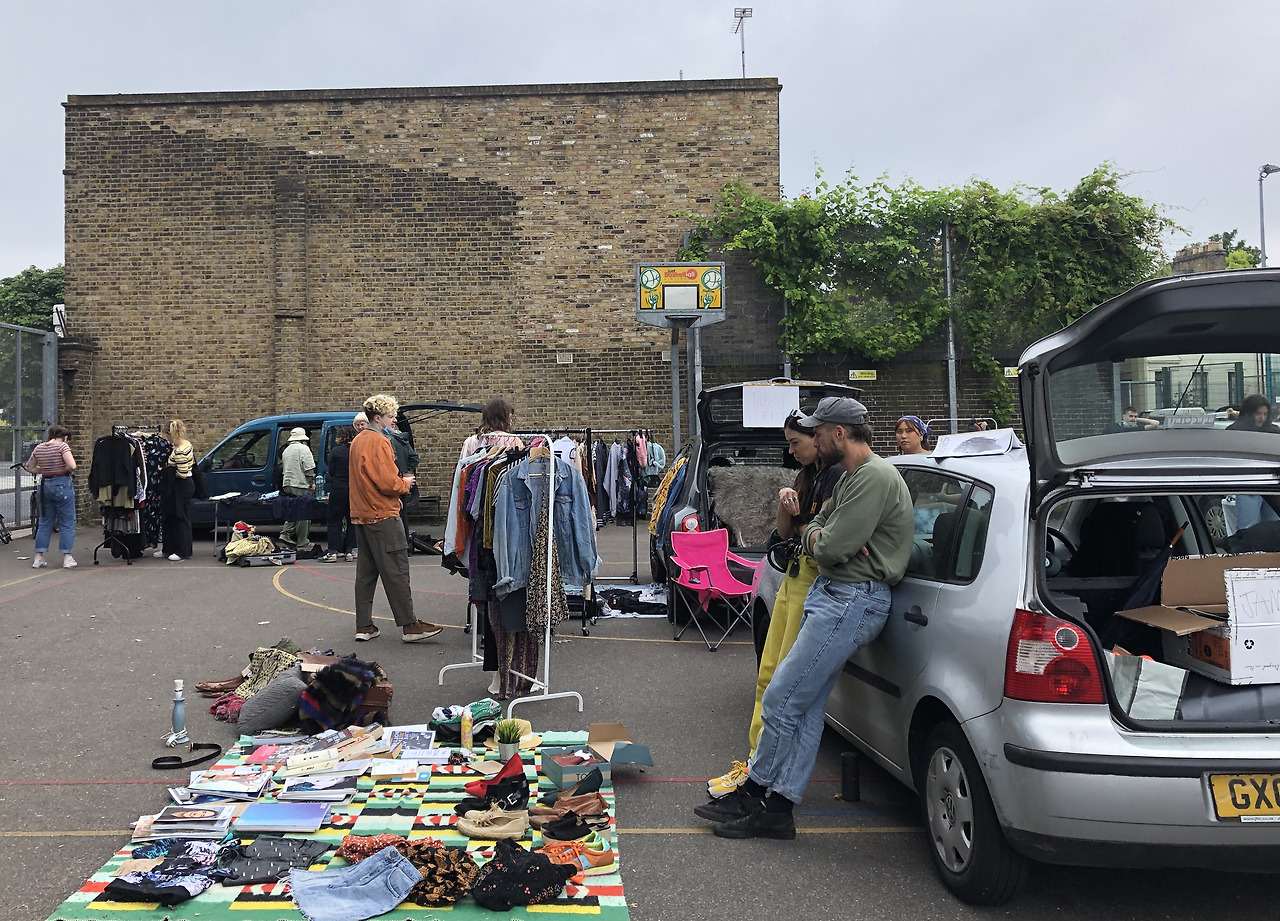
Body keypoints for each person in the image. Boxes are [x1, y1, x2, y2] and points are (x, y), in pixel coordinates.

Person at [694, 396, 914, 840]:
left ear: (839, 433)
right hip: (837, 595)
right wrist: (820, 533)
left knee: (780, 697)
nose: (812, 440)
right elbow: (812, 530)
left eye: (817, 432)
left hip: (851, 599)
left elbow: (825, 543)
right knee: (807, 707)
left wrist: (819, 534)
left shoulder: (872, 477)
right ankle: (777, 808)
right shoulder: (855, 476)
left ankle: (756, 792)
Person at [707, 407, 846, 798]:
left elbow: (824, 539)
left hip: (812, 583)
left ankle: (762, 771)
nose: (791, 450)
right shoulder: (807, 477)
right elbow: (786, 532)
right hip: (791, 576)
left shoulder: (838, 478)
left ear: (818, 438)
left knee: (784, 684)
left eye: (795, 442)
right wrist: (787, 507)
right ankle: (754, 761)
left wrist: (801, 522)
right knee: (768, 673)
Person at [349, 393, 443, 643]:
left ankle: (364, 625)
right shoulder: (379, 442)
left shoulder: (358, 440)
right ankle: (410, 625)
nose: (393, 422)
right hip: (382, 515)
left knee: (366, 574)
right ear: (378, 418)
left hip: (362, 513)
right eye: (391, 417)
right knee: (397, 571)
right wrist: (405, 483)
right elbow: (387, 482)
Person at [27, 424, 77, 569]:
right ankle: (67, 557)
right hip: (62, 484)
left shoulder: (39, 448)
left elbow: (30, 467)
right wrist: (62, 469)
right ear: (65, 437)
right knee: (67, 521)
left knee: (44, 521)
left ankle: (38, 557)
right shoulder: (63, 447)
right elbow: (72, 465)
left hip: (45, 485)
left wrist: (44, 469)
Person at [155, 419, 196, 561]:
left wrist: (166, 471)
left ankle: (183, 551)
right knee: (170, 517)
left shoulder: (180, 451)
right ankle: (169, 548)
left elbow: (182, 473)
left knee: (181, 517)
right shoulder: (187, 445)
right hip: (182, 485)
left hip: (181, 486)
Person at [321, 426, 358, 563]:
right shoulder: (357, 452)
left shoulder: (335, 452)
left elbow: (331, 472)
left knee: (334, 520)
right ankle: (350, 551)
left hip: (338, 488)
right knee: (352, 520)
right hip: (354, 489)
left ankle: (333, 551)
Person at [278, 427, 316, 550]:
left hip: (287, 483)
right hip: (300, 484)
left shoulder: (286, 450)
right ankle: (303, 540)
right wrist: (312, 483)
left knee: (292, 510)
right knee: (304, 514)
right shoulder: (304, 449)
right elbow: (308, 469)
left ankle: (285, 533)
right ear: (303, 440)